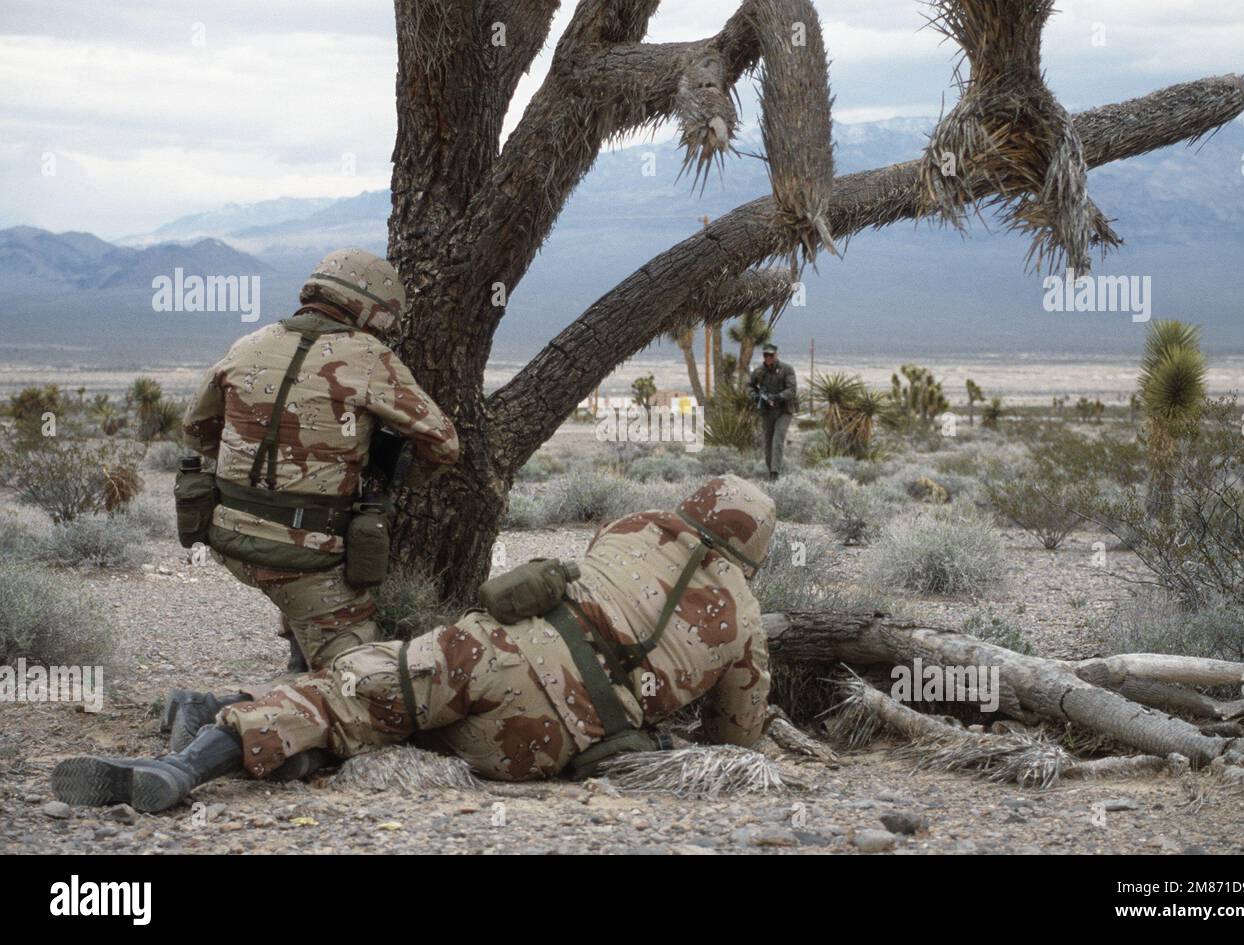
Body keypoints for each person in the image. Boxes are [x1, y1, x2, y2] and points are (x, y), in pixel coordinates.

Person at [52, 476, 776, 812]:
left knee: (352, 699)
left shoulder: (633, 524)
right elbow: (735, 738)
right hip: (541, 747)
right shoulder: (745, 620)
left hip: (492, 651)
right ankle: (236, 726)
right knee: (404, 735)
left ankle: (186, 763)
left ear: (695, 505)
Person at [179, 249, 460, 674]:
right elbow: (444, 443)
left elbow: (196, 429)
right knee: (362, 686)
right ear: (374, 310)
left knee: (294, 594)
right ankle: (212, 712)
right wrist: (390, 476)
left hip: (228, 536)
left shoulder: (249, 343)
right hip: (306, 556)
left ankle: (297, 663)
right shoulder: (369, 357)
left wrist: (250, 471)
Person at [747, 342, 798, 480]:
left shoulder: (786, 370)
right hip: (767, 411)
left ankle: (775, 474)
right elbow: (749, 386)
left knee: (777, 441)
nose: (768, 357)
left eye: (771, 355)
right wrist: (756, 396)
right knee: (768, 443)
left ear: (776, 355)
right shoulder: (759, 372)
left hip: (784, 410)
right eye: (766, 355)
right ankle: (771, 472)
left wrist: (778, 396)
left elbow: (792, 389)